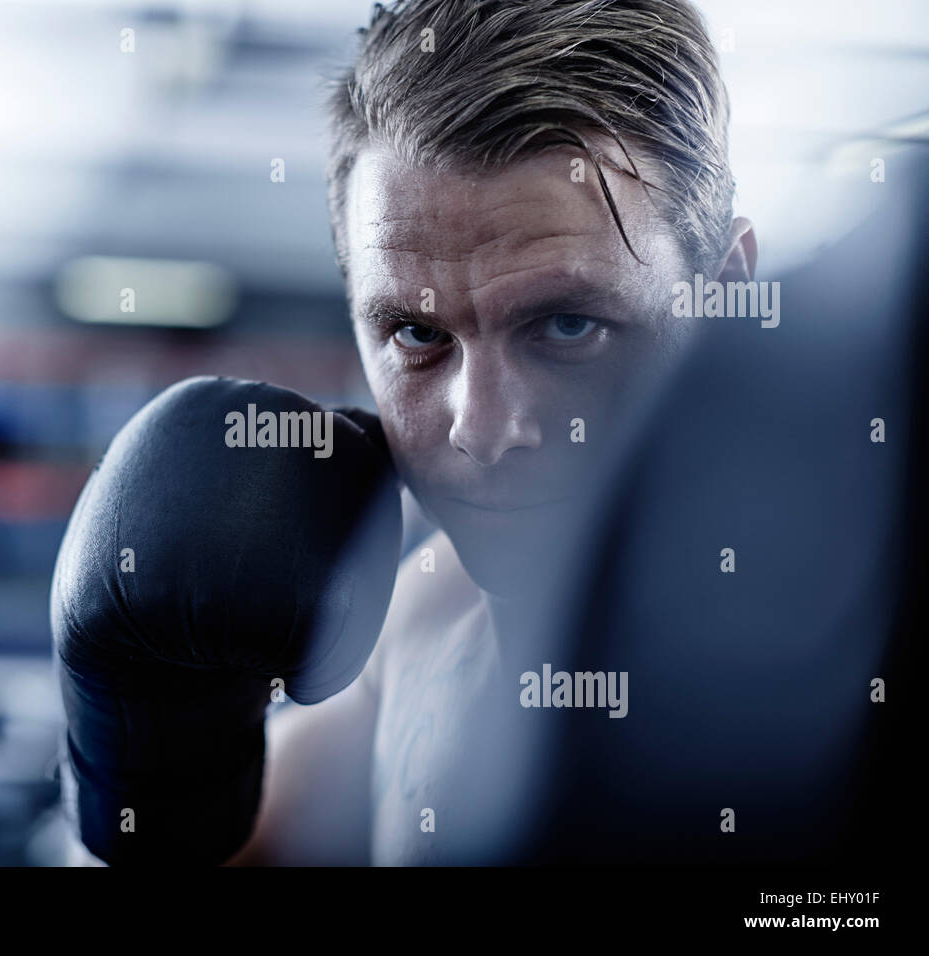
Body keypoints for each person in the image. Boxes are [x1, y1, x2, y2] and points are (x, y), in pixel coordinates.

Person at [54, 0, 758, 865]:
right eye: (418, 336)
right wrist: (141, 764)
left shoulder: (840, 651)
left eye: (569, 326)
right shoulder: (429, 621)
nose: (484, 429)